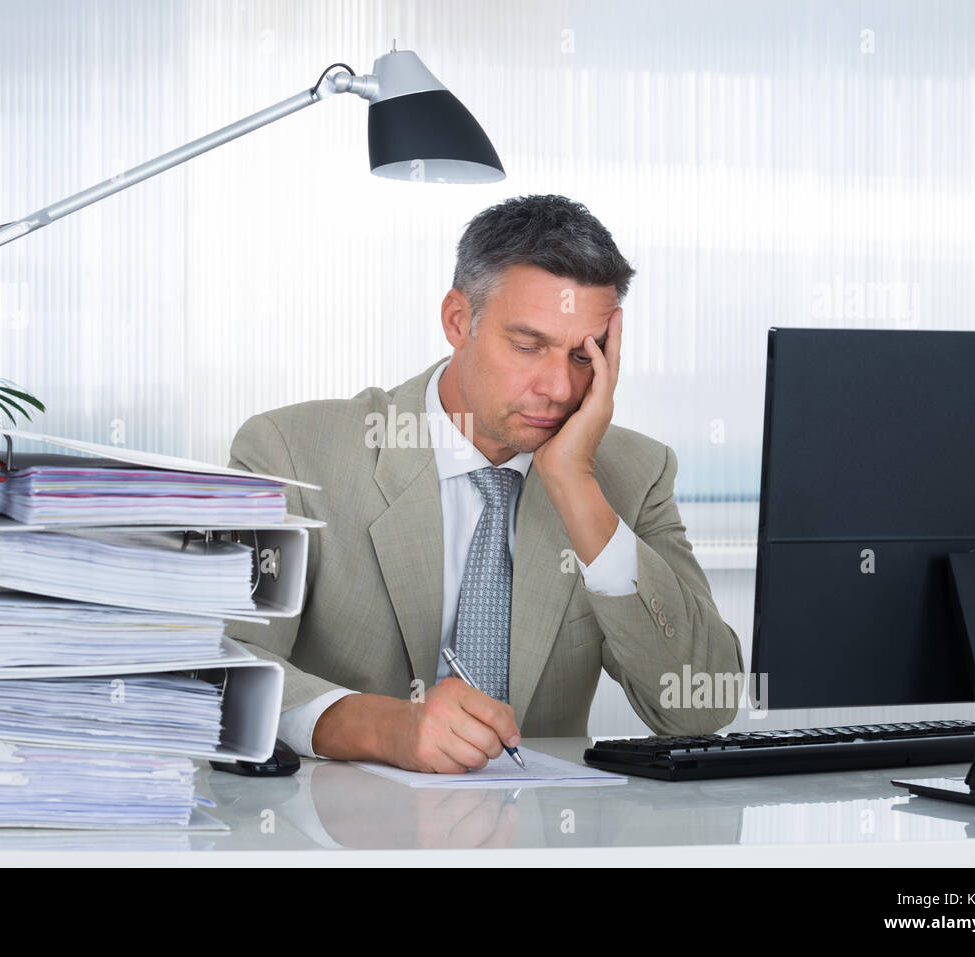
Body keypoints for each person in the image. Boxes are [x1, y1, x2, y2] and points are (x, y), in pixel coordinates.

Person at [225, 193, 744, 773]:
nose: (556, 387)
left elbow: (702, 705)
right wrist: (379, 726)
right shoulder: (294, 452)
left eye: (584, 356)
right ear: (457, 320)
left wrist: (576, 486)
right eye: (528, 346)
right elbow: (226, 662)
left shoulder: (634, 474)